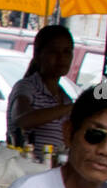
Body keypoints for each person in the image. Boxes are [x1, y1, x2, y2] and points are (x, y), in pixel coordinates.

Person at [5, 24, 74, 154]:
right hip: (25, 168)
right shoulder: (26, 87)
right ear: (37, 55)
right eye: (54, 51)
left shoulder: (65, 98)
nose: (61, 58)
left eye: (67, 51)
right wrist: (71, 108)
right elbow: (22, 119)